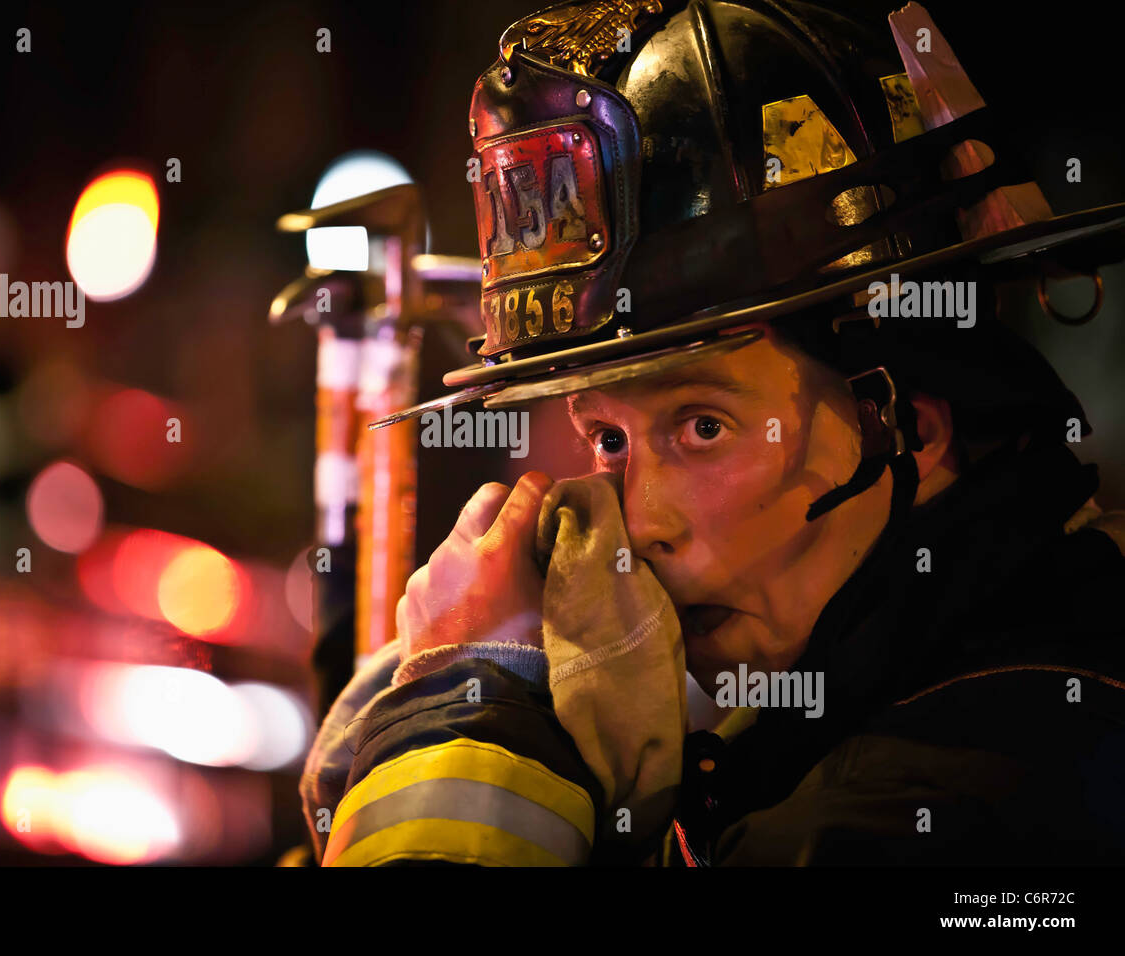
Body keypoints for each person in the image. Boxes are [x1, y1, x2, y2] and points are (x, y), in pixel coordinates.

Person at [299, 0, 1125, 866]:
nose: (640, 525)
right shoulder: (813, 731)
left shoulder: (947, 807)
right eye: (608, 440)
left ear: (912, 429)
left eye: (702, 426)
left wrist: (463, 722)